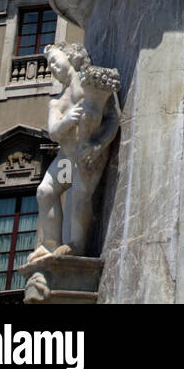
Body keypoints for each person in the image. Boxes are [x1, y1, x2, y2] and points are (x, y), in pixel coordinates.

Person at [27, 43, 119, 260]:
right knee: (45, 191)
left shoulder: (90, 84)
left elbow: (113, 119)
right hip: (67, 159)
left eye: (55, 61)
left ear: (71, 58)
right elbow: (53, 133)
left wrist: (98, 145)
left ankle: (77, 244)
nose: (52, 68)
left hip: (87, 155)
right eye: (50, 65)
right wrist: (67, 121)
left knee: (79, 197)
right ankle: (49, 243)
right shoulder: (57, 101)